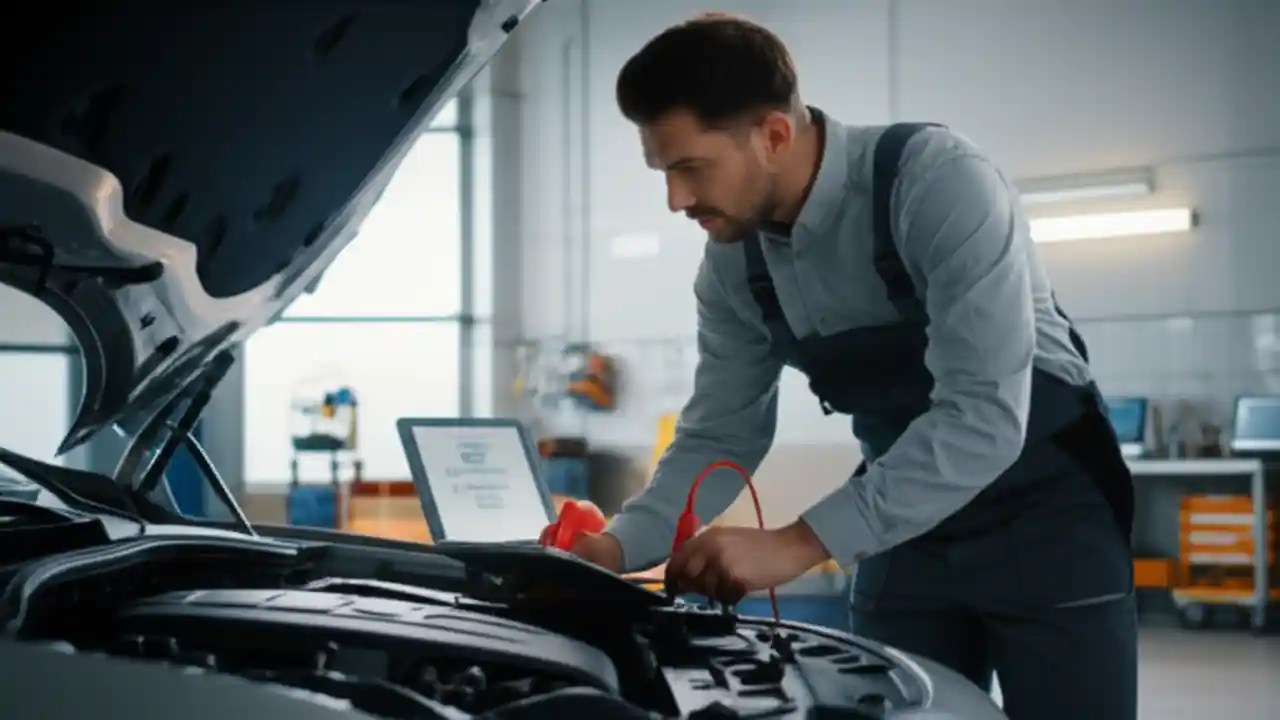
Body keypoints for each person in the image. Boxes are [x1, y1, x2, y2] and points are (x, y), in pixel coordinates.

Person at [562, 13, 1137, 720]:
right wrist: (614, 549)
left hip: (1047, 510)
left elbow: (984, 416)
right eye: (663, 172)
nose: (676, 200)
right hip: (905, 519)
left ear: (773, 134)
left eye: (691, 168)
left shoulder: (938, 184)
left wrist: (799, 543)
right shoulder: (733, 266)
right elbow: (719, 437)